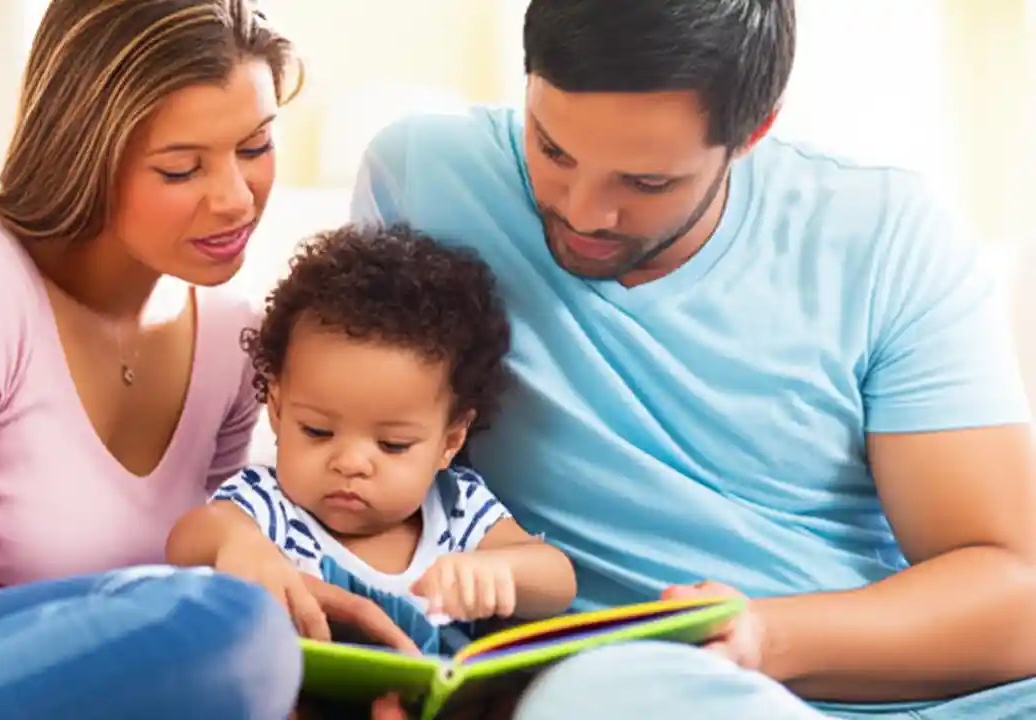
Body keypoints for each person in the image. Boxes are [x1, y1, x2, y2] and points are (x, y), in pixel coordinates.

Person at [347, 0, 1036, 718]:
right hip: (638, 693)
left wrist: (766, 638)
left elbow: (1013, 595)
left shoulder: (884, 236)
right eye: (551, 150)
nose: (584, 211)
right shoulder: (424, 180)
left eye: (646, 183)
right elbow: (353, 449)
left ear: (752, 133)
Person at [0, 2, 407, 717]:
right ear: (83, 156)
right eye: (181, 168)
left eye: (254, 149)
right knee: (220, 621)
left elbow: (164, 645)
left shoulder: (234, 343)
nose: (234, 198)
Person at [167, 224, 576, 655]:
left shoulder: (455, 507)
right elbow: (191, 537)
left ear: (450, 440)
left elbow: (558, 579)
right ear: (278, 407)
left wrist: (499, 570)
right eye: (317, 432)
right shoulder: (267, 507)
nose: (350, 463)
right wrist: (238, 545)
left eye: (393, 444)